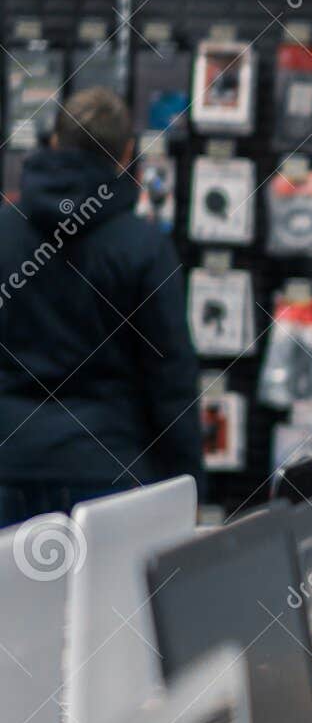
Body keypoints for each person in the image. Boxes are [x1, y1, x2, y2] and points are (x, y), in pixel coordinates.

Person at [0, 87, 202, 524]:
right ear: (127, 154)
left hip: (10, 465)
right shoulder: (144, 246)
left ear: (54, 140)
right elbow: (171, 379)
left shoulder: (4, 232)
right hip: (108, 472)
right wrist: (189, 483)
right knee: (107, 596)